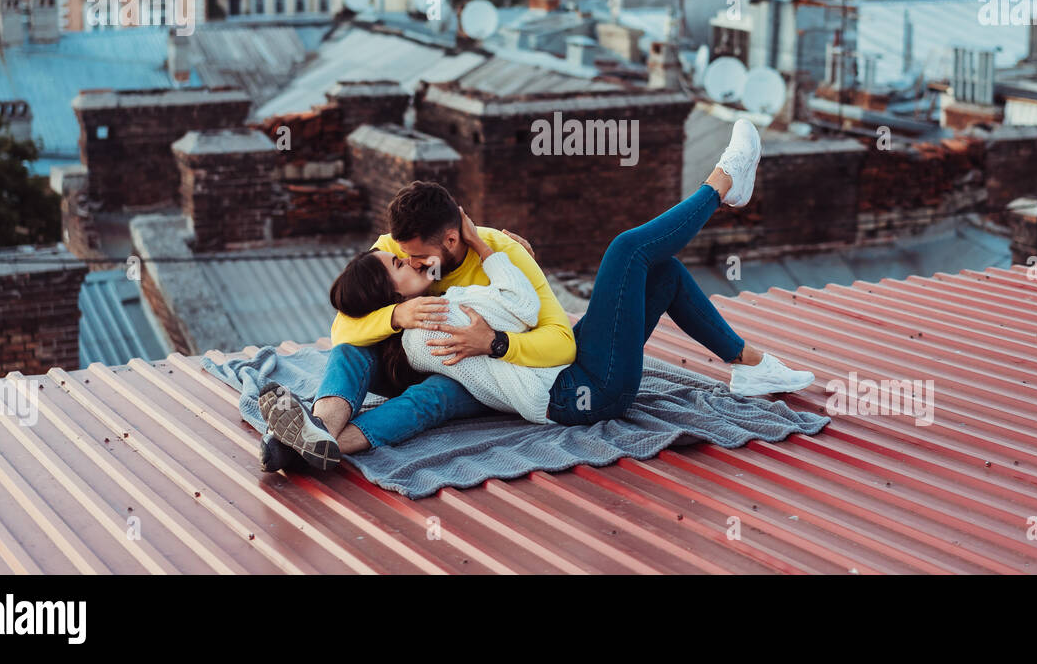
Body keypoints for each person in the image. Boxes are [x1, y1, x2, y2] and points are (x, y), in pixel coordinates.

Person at [260, 119, 814, 469]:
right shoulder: (423, 300)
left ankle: (750, 364)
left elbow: (556, 339)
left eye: (410, 256)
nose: (403, 258)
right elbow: (347, 326)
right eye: (398, 260)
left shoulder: (474, 272)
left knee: (657, 270)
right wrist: (409, 315)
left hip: (570, 369)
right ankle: (723, 182)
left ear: (449, 238)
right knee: (627, 250)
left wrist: (493, 327)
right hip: (580, 393)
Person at [258, 179, 575, 472]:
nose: (408, 262)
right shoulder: (396, 248)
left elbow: (562, 343)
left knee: (433, 395)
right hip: (405, 363)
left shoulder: (504, 253)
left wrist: (494, 342)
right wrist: (396, 316)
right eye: (402, 255)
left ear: (451, 240)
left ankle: (315, 448)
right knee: (348, 353)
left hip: (471, 372)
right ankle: (320, 427)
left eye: (419, 257)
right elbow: (344, 328)